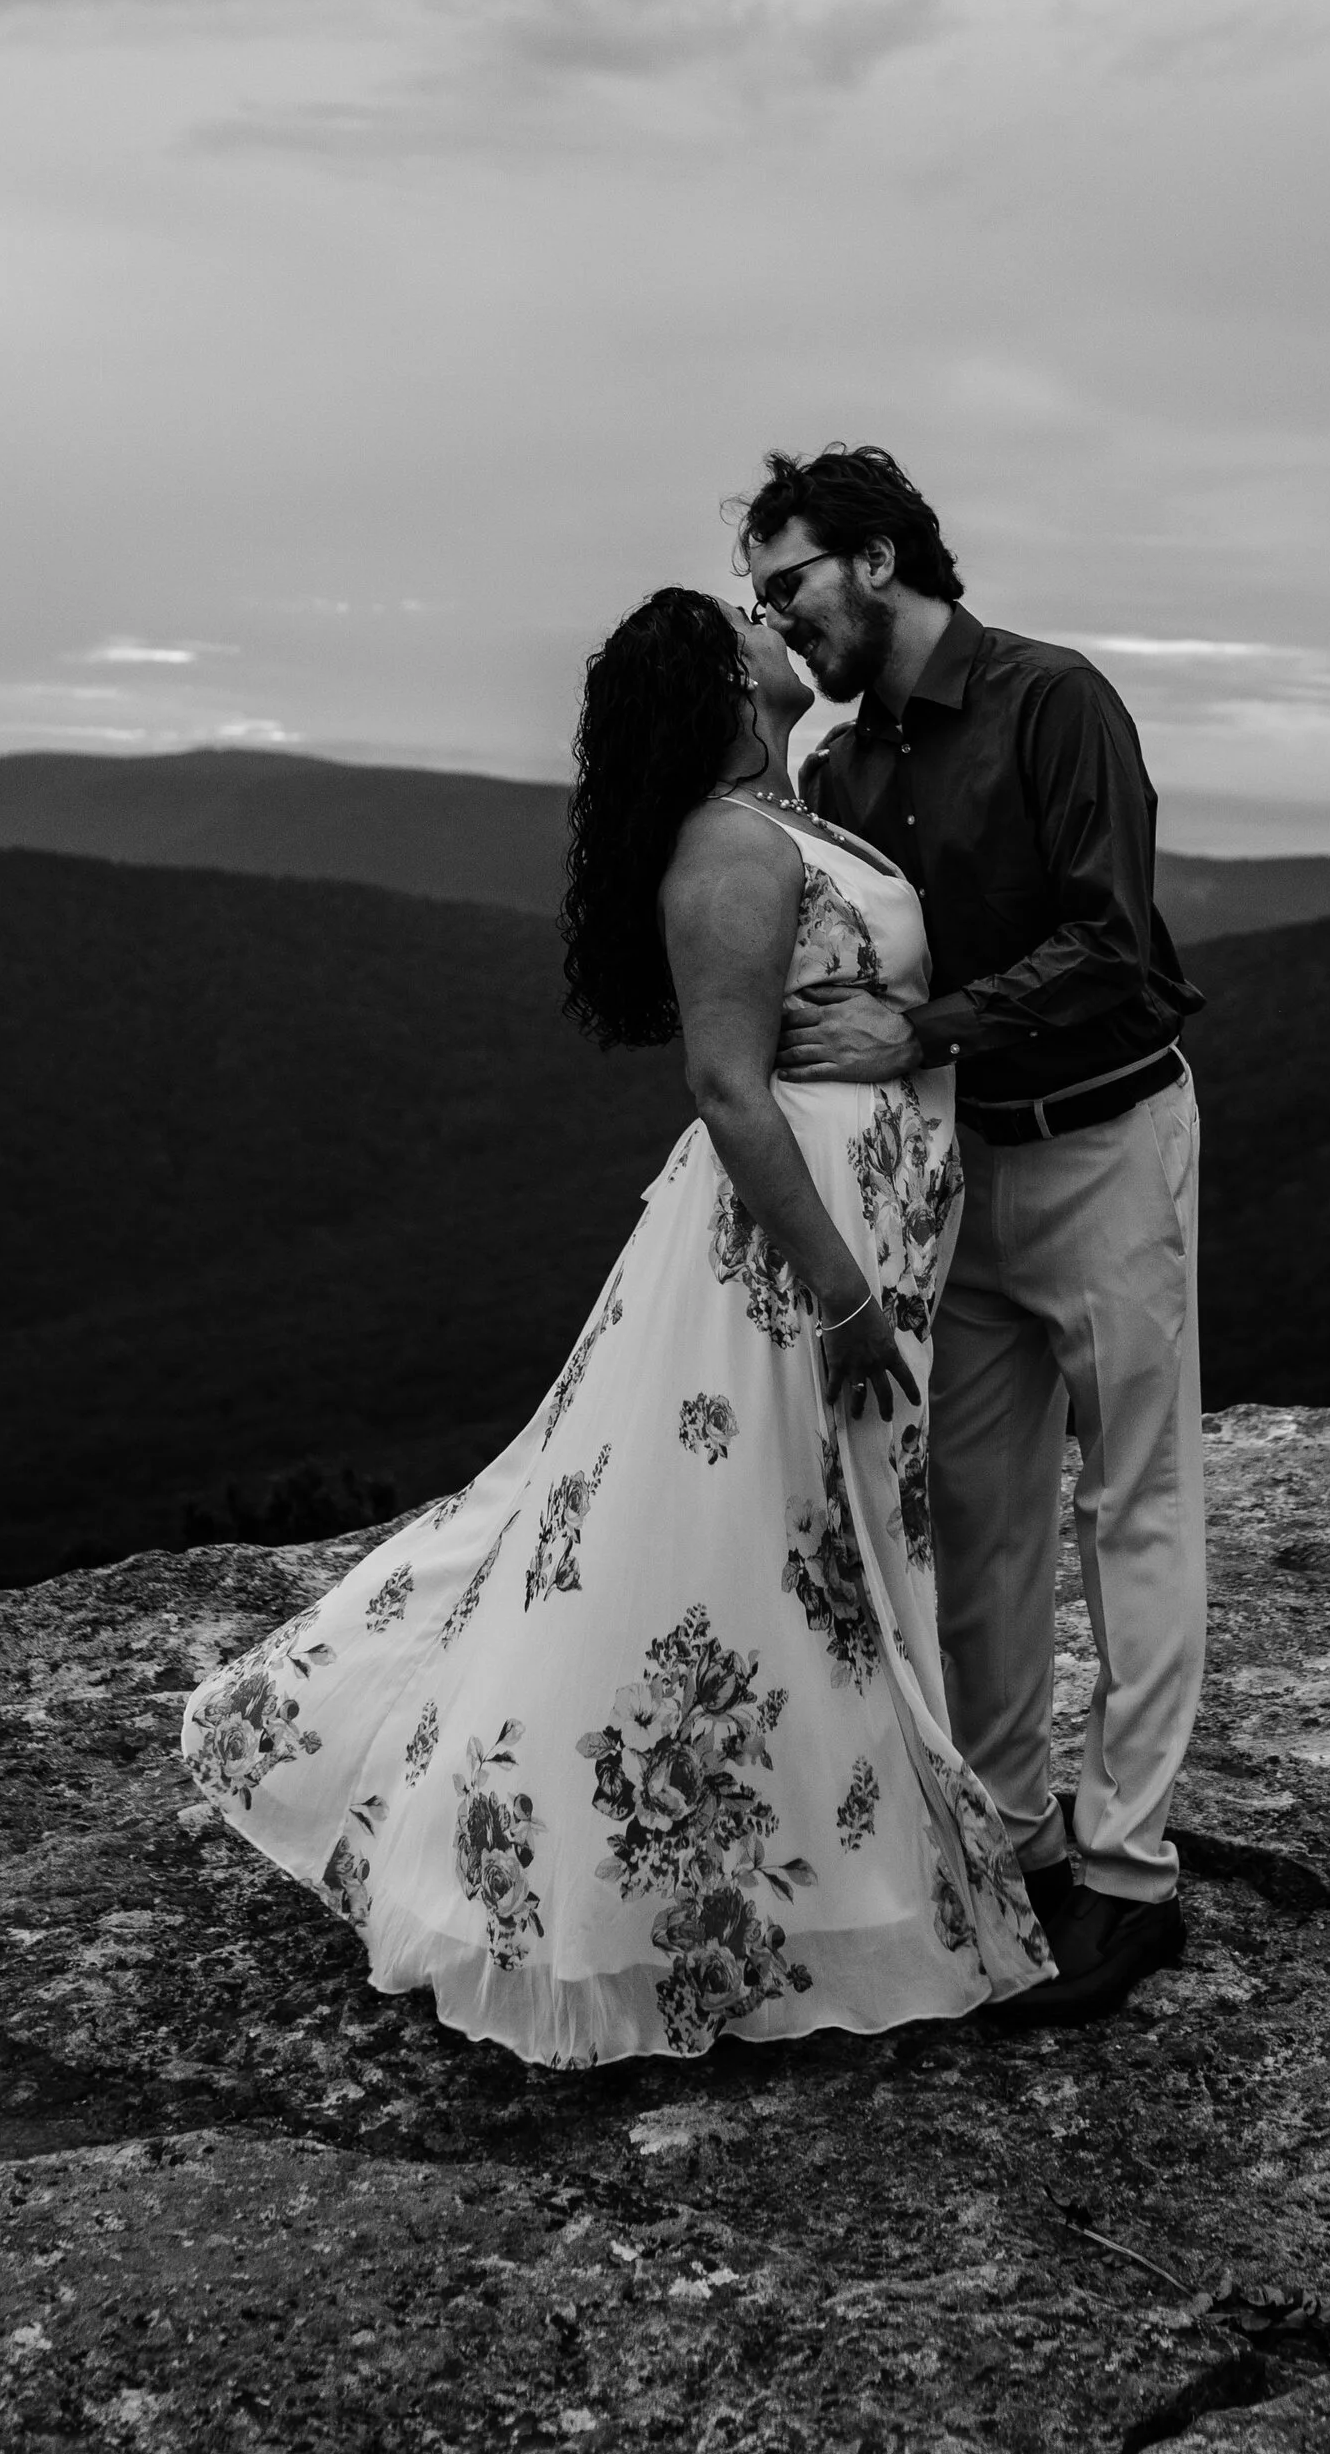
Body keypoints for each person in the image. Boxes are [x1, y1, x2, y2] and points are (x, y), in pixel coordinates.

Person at [180, 584, 1050, 2065]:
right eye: (745, 624)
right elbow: (726, 1088)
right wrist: (842, 1290)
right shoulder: (731, 847)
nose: (773, 627)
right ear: (724, 684)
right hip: (791, 1256)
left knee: (814, 1545)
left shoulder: (793, 817)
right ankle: (672, 1902)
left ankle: (826, 1878)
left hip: (866, 1229)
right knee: (758, 1544)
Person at [743, 445, 1206, 2024]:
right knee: (977, 1517)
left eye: (792, 584)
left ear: (877, 560)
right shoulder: (837, 771)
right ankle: (1011, 1839)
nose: (781, 620)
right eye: (762, 601)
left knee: (1134, 1501)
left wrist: (921, 1031)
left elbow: (1114, 947)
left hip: (1106, 1142)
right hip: (952, 1180)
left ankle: (1131, 1874)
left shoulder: (1052, 701)